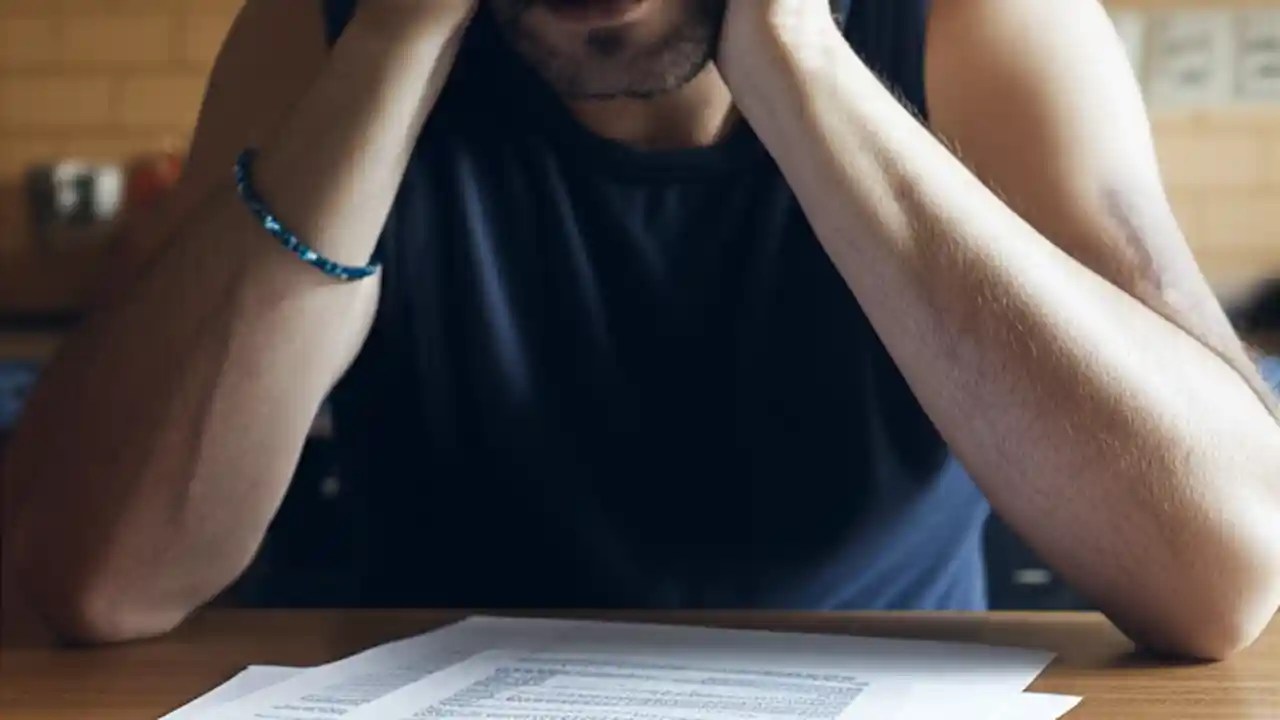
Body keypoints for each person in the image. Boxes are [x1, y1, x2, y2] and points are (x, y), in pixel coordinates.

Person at [3, 0, 1278, 657]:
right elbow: (100, 579)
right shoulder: (326, 30)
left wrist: (795, 58)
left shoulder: (974, 22)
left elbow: (1221, 573)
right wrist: (391, 41)